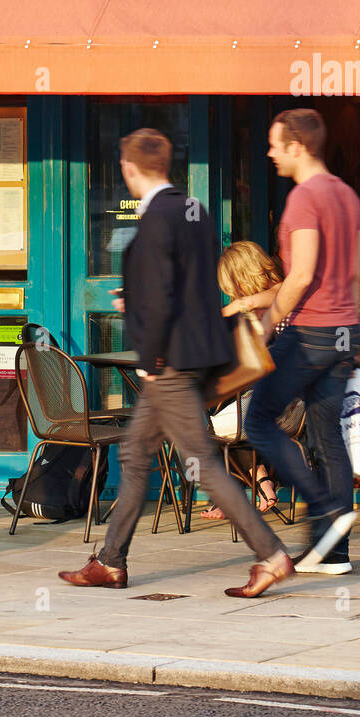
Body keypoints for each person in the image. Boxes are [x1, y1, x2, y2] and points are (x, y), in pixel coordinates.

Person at [59, 128, 295, 599]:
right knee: (134, 454)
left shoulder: (155, 220)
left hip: (169, 364)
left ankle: (271, 555)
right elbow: (188, 290)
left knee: (202, 463)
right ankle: (110, 561)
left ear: (129, 168)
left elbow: (163, 298)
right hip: (194, 355)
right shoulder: (194, 211)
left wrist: (151, 355)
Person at [245, 108, 360, 575]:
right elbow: (352, 274)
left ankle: (321, 507)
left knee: (258, 421)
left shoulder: (305, 198)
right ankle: (334, 553)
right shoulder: (347, 196)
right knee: (327, 436)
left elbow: (301, 275)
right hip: (343, 332)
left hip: (310, 333)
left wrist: (266, 325)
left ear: (297, 146)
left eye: (276, 145)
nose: (270, 153)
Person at [202, 241, 286, 520]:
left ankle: (246, 486)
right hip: (258, 394)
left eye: (232, 284)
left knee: (214, 422)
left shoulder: (282, 293)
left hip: (289, 400)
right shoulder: (247, 307)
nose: (231, 292)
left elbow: (261, 300)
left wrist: (230, 311)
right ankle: (256, 479)